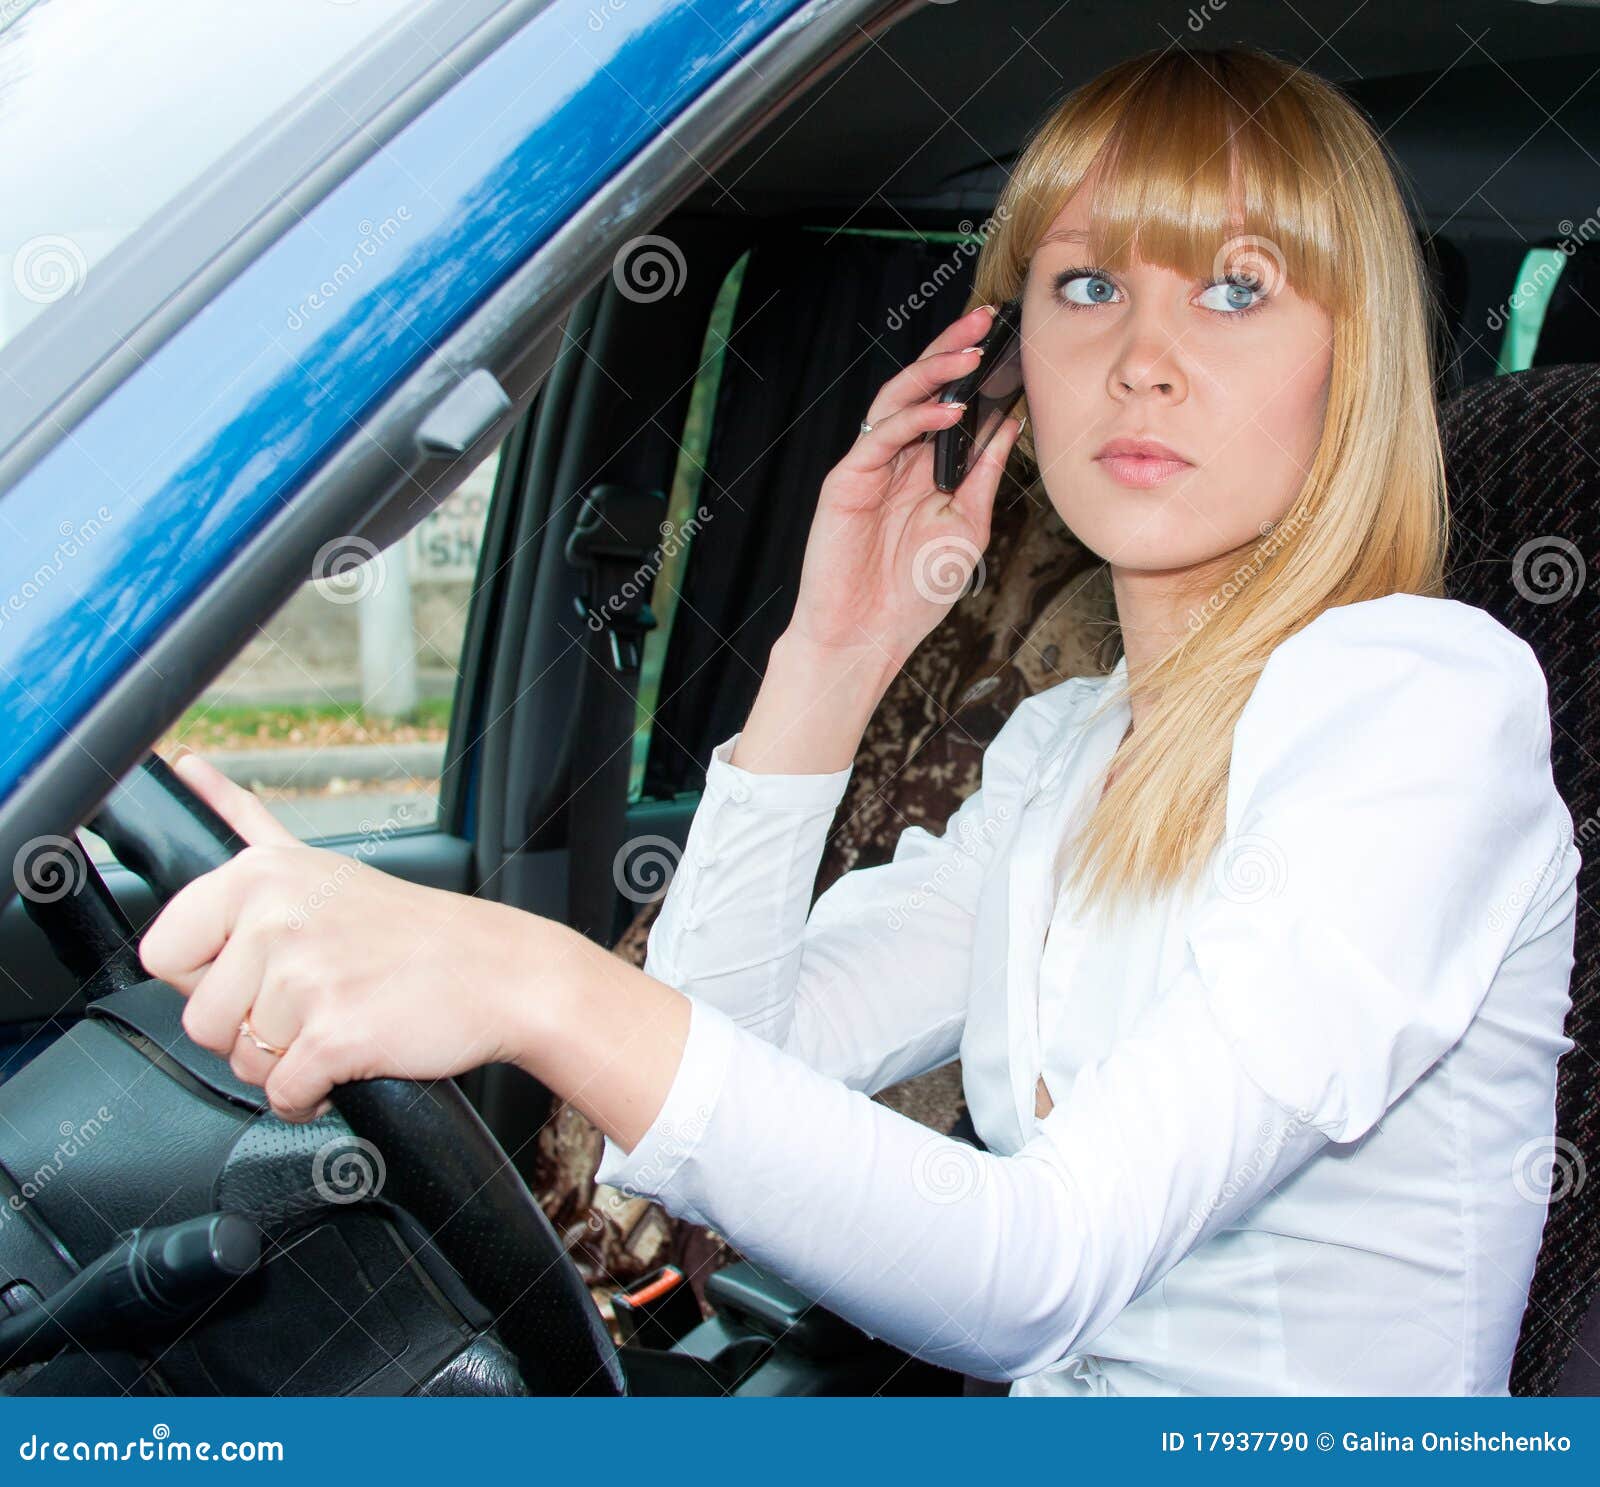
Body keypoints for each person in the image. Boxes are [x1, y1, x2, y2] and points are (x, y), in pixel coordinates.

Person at [139, 47, 1580, 1395]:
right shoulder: (1068, 748)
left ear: (1356, 367)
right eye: (1086, 287)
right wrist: (832, 652)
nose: (1144, 355)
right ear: (1014, 351)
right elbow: (725, 1048)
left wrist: (528, 979)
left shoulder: (1419, 707)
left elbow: (1039, 1269)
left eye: (1237, 289)